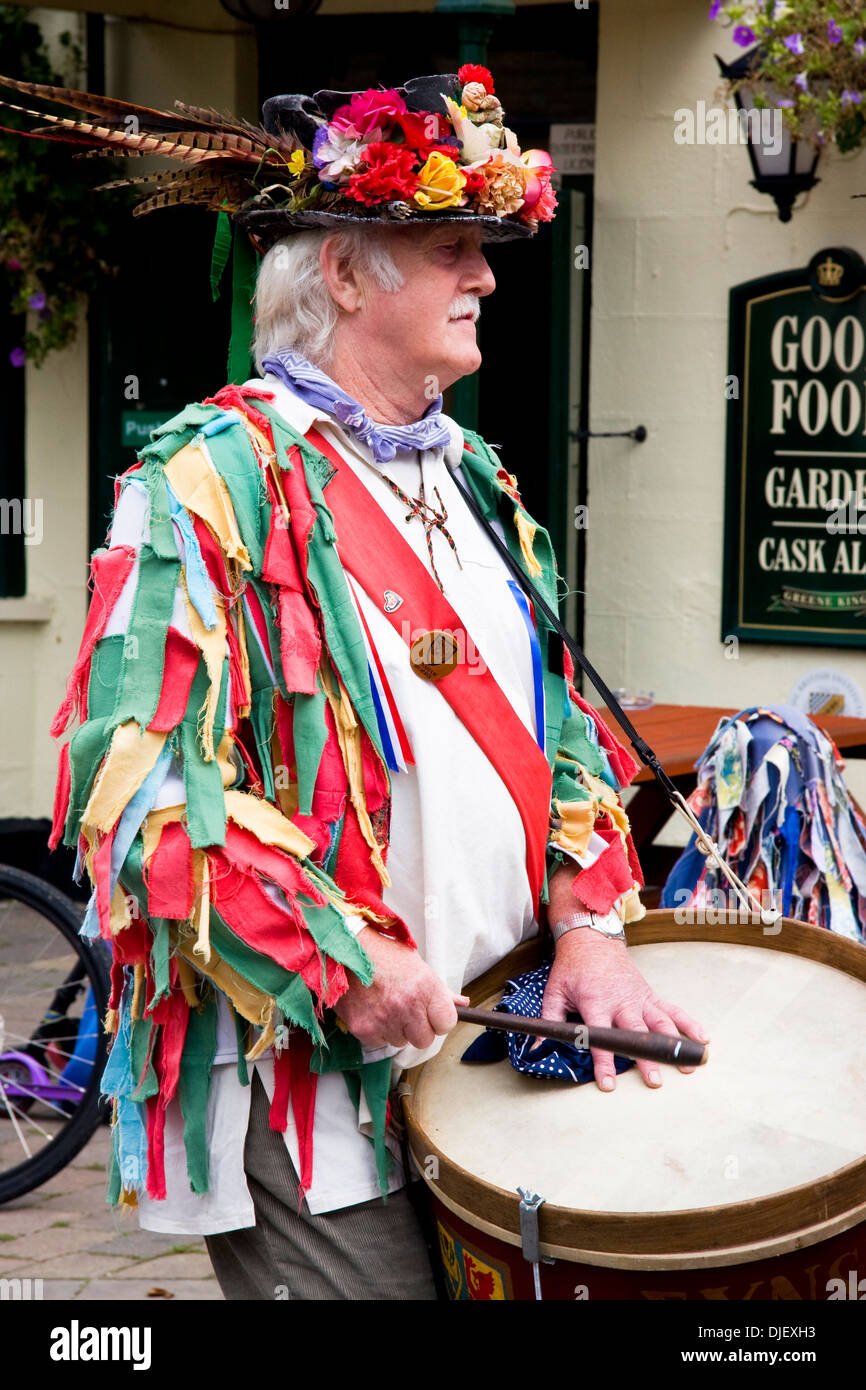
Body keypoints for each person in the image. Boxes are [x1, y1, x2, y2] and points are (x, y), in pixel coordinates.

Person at [46, 63, 707, 1300]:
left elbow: (553, 733)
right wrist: (343, 962)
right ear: (345, 274)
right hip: (311, 1087)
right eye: (453, 247)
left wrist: (589, 926)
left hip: (496, 1058)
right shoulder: (203, 487)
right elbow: (137, 798)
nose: (489, 279)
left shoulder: (477, 480)